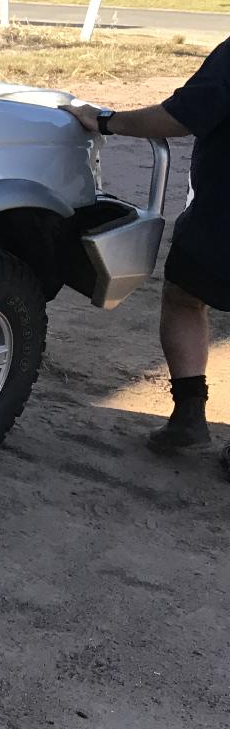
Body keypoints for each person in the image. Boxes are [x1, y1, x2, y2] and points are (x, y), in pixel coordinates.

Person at [66, 35, 230, 471]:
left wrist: (104, 121)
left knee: (184, 297)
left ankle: (189, 416)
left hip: (224, 218)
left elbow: (180, 116)